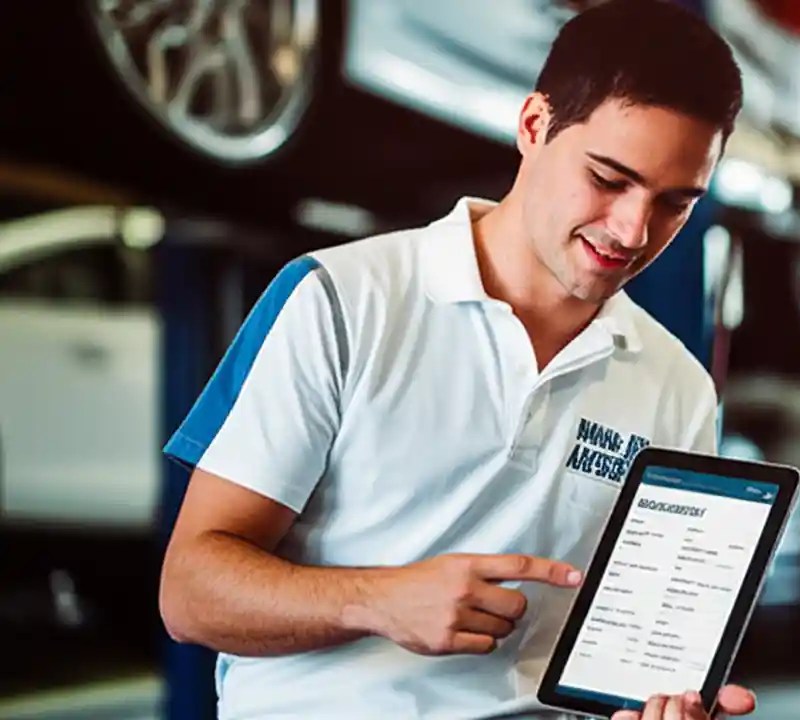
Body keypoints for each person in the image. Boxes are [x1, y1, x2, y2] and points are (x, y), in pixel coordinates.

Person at [158, 2, 756, 718]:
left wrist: (670, 704)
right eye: (608, 178)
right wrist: (378, 601)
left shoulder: (676, 386)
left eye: (675, 203)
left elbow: (650, 658)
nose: (633, 229)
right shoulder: (342, 299)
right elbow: (189, 593)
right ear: (534, 126)